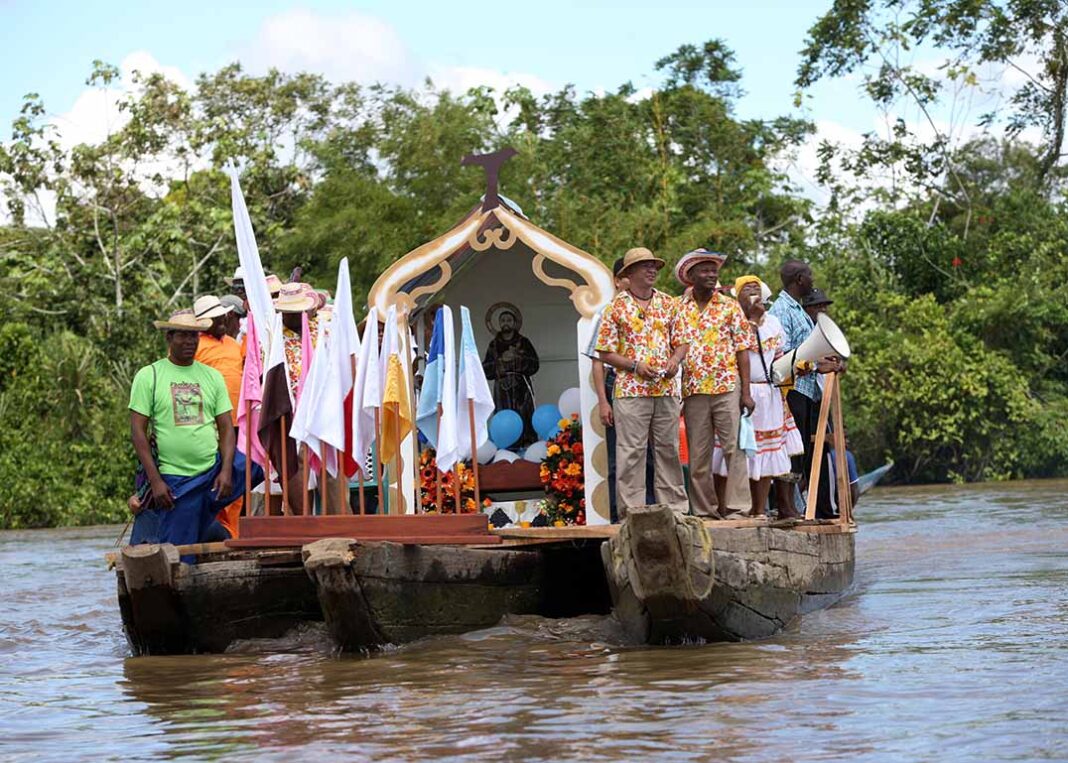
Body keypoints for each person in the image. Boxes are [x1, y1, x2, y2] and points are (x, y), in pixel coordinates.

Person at [129, 308, 259, 555]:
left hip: (211, 472)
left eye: (194, 336)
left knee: (257, 463)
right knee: (179, 553)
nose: (189, 342)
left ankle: (205, 511)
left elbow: (226, 428)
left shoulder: (211, 376)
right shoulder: (150, 376)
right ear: (169, 337)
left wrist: (226, 470)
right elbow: (137, 432)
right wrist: (156, 482)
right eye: (183, 336)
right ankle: (197, 519)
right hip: (175, 479)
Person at [596, 247, 688, 516]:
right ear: (629, 273)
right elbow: (605, 352)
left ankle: (676, 510)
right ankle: (632, 512)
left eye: (654, 267)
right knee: (631, 452)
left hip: (666, 389)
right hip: (631, 390)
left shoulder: (669, 304)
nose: (651, 270)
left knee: (668, 449)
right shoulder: (615, 309)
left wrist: (675, 360)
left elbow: (682, 342)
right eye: (645, 266)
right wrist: (635, 366)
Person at [674, 250, 755, 517]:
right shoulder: (678, 307)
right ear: (691, 276)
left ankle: (738, 508)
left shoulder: (729, 306)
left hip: (726, 387)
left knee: (734, 449)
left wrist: (746, 392)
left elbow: (743, 349)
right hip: (693, 389)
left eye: (714, 271)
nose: (711, 275)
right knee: (698, 454)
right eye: (705, 271)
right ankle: (704, 511)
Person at [582, 258, 655, 521]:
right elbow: (598, 360)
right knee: (621, 454)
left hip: (652, 387)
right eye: (626, 276)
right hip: (620, 385)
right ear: (618, 280)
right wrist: (603, 401)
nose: (629, 281)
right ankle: (621, 515)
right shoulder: (607, 312)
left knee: (651, 454)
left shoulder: (654, 308)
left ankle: (652, 509)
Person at [768, 260, 840, 518]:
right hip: (794, 391)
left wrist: (827, 361)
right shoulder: (781, 311)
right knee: (796, 453)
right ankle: (790, 508)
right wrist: (814, 365)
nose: (812, 278)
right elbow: (782, 356)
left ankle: (820, 509)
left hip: (810, 391)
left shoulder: (797, 309)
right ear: (799, 279)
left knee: (814, 450)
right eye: (809, 274)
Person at [733, 276, 801, 518]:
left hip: (769, 392)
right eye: (747, 289)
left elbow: (779, 357)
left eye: (756, 288)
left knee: (768, 454)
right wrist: (752, 319)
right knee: (748, 452)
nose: (753, 292)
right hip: (745, 390)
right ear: (738, 296)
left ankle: (760, 509)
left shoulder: (773, 323)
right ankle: (745, 507)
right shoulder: (735, 320)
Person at [192, 295, 245, 537]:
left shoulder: (234, 345)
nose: (224, 318)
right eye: (217, 316)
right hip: (210, 425)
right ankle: (212, 530)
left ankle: (231, 531)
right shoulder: (195, 345)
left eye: (223, 314)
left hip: (238, 424)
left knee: (235, 477)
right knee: (210, 480)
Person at [482, 304, 540, 446]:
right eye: (503, 321)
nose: (505, 323)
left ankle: (526, 443)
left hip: (521, 386)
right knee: (504, 416)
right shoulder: (494, 345)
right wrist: (501, 361)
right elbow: (486, 368)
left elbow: (534, 364)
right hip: (502, 388)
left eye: (508, 320)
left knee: (524, 415)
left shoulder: (523, 342)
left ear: (514, 323)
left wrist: (517, 358)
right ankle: (506, 445)